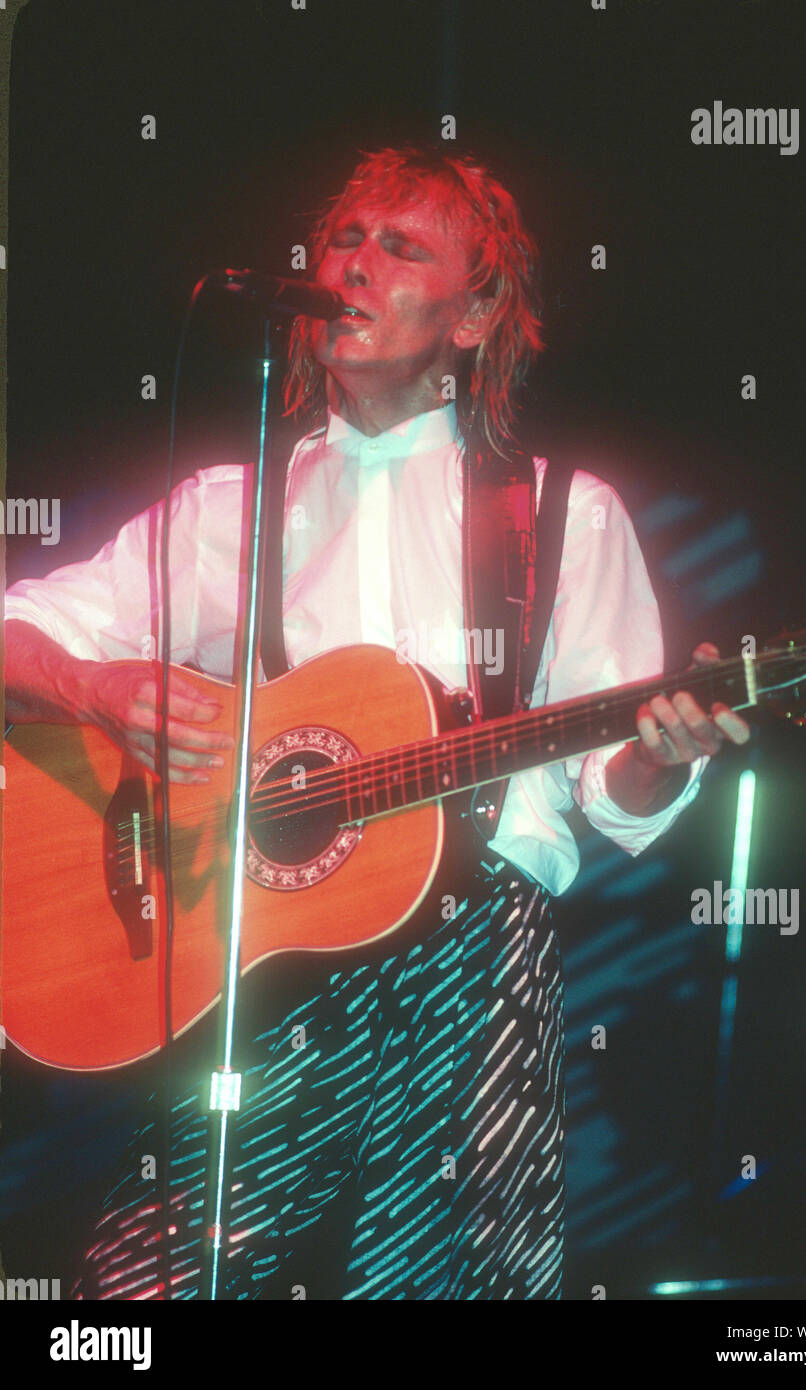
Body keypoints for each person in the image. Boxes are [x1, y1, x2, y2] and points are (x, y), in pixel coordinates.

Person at [3, 145, 750, 1300]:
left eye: (400, 247)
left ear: (477, 311)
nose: (352, 265)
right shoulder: (226, 507)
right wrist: (99, 692)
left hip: (472, 966)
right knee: (138, 1292)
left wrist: (659, 758)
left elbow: (612, 794)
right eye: (342, 241)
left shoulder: (564, 515)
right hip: (265, 978)